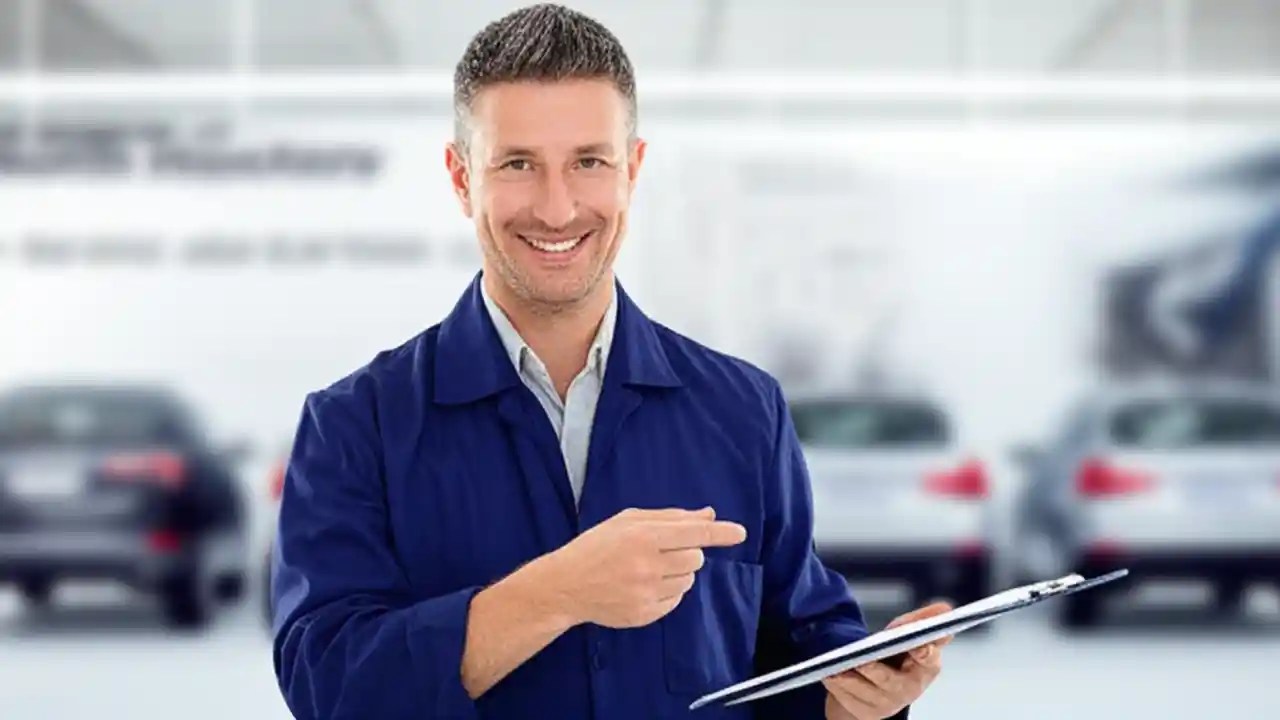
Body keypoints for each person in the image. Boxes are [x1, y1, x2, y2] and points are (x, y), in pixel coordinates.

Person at [271, 4, 952, 718]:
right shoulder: (355, 426)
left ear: (634, 168)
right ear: (460, 176)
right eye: (517, 164)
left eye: (589, 162)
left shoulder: (744, 411)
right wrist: (557, 592)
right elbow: (329, 684)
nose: (558, 209)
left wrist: (861, 699)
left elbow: (797, 658)